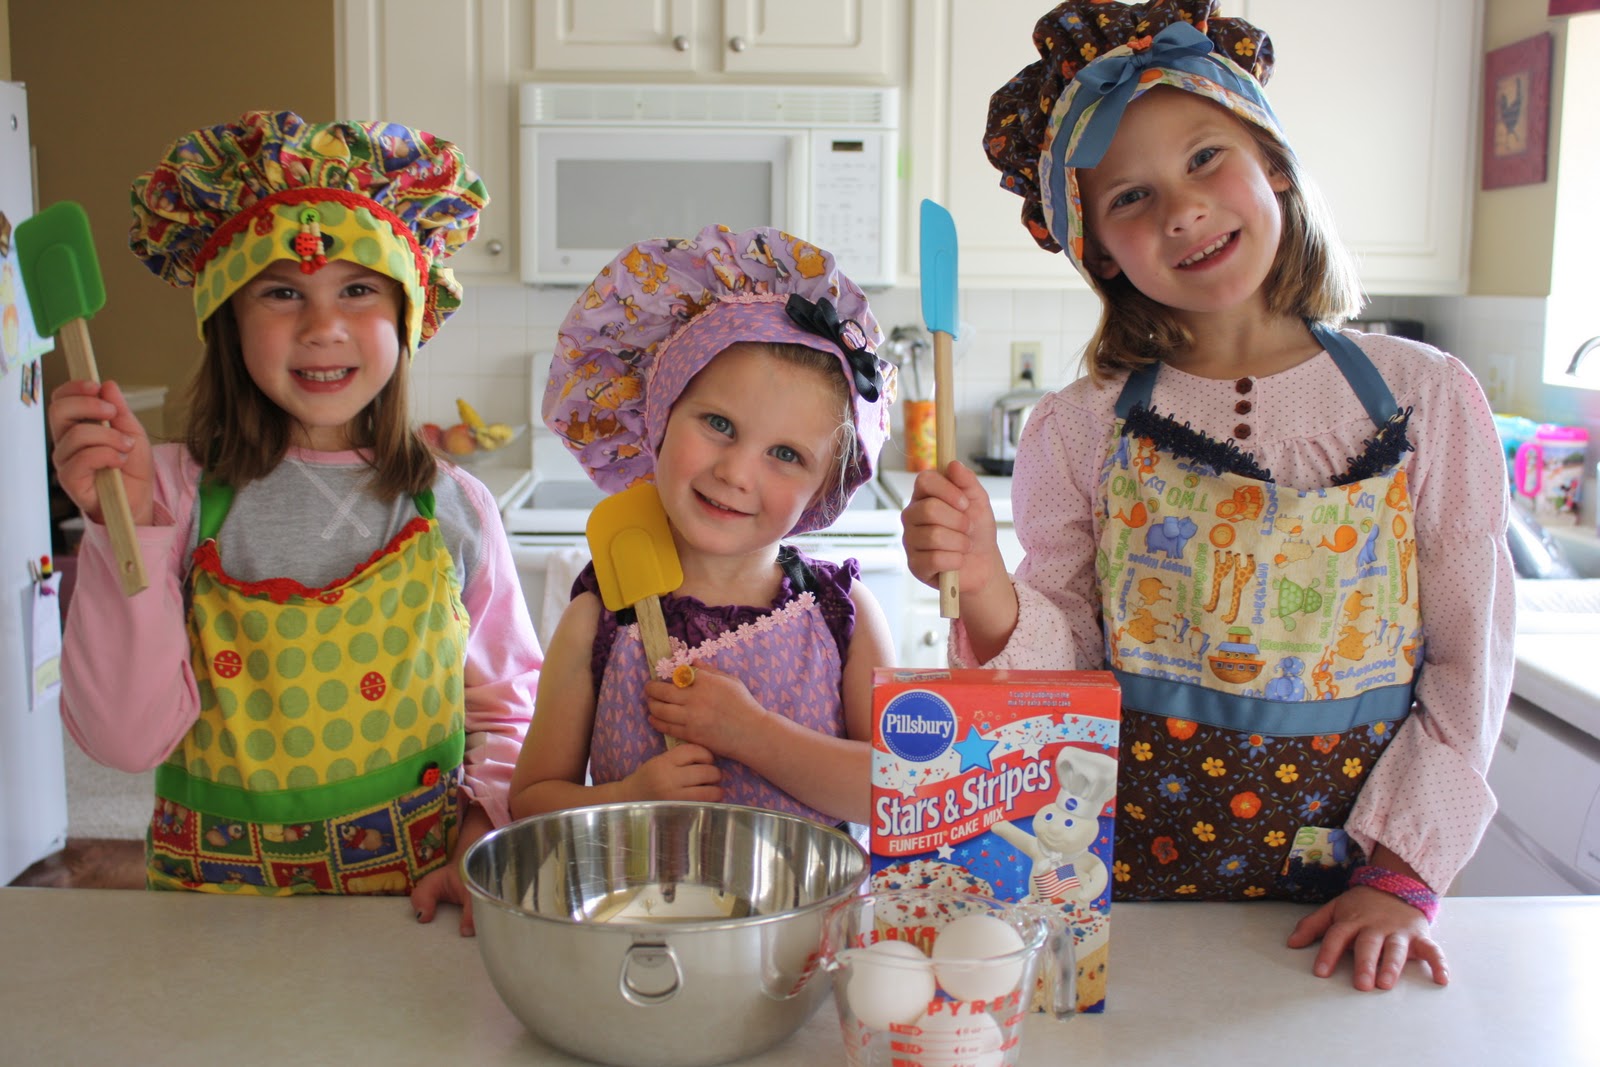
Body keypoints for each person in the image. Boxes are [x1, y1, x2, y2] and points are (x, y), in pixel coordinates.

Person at [904, 1, 1514, 991]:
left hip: (1341, 914)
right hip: (1122, 897)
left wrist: (1402, 874)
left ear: (1274, 163)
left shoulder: (1424, 397)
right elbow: (1063, 656)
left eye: (1203, 158)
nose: (1181, 211)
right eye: (1130, 197)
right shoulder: (1081, 426)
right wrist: (981, 580)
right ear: (1100, 250)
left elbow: (1467, 657)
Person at [48, 111, 539, 934]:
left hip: (412, 922)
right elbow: (123, 740)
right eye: (282, 292)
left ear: (408, 312)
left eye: (359, 289)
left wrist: (480, 834)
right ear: (228, 318)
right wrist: (119, 528)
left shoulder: (455, 505)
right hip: (214, 931)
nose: (323, 326)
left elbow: (505, 713)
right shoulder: (167, 493)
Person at [508, 224, 897, 828]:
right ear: (659, 418)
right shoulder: (600, 616)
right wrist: (630, 798)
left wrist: (753, 734)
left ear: (824, 488)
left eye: (786, 454)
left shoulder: (841, 614)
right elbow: (530, 803)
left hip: (809, 894)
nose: (736, 473)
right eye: (718, 424)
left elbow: (895, 795)